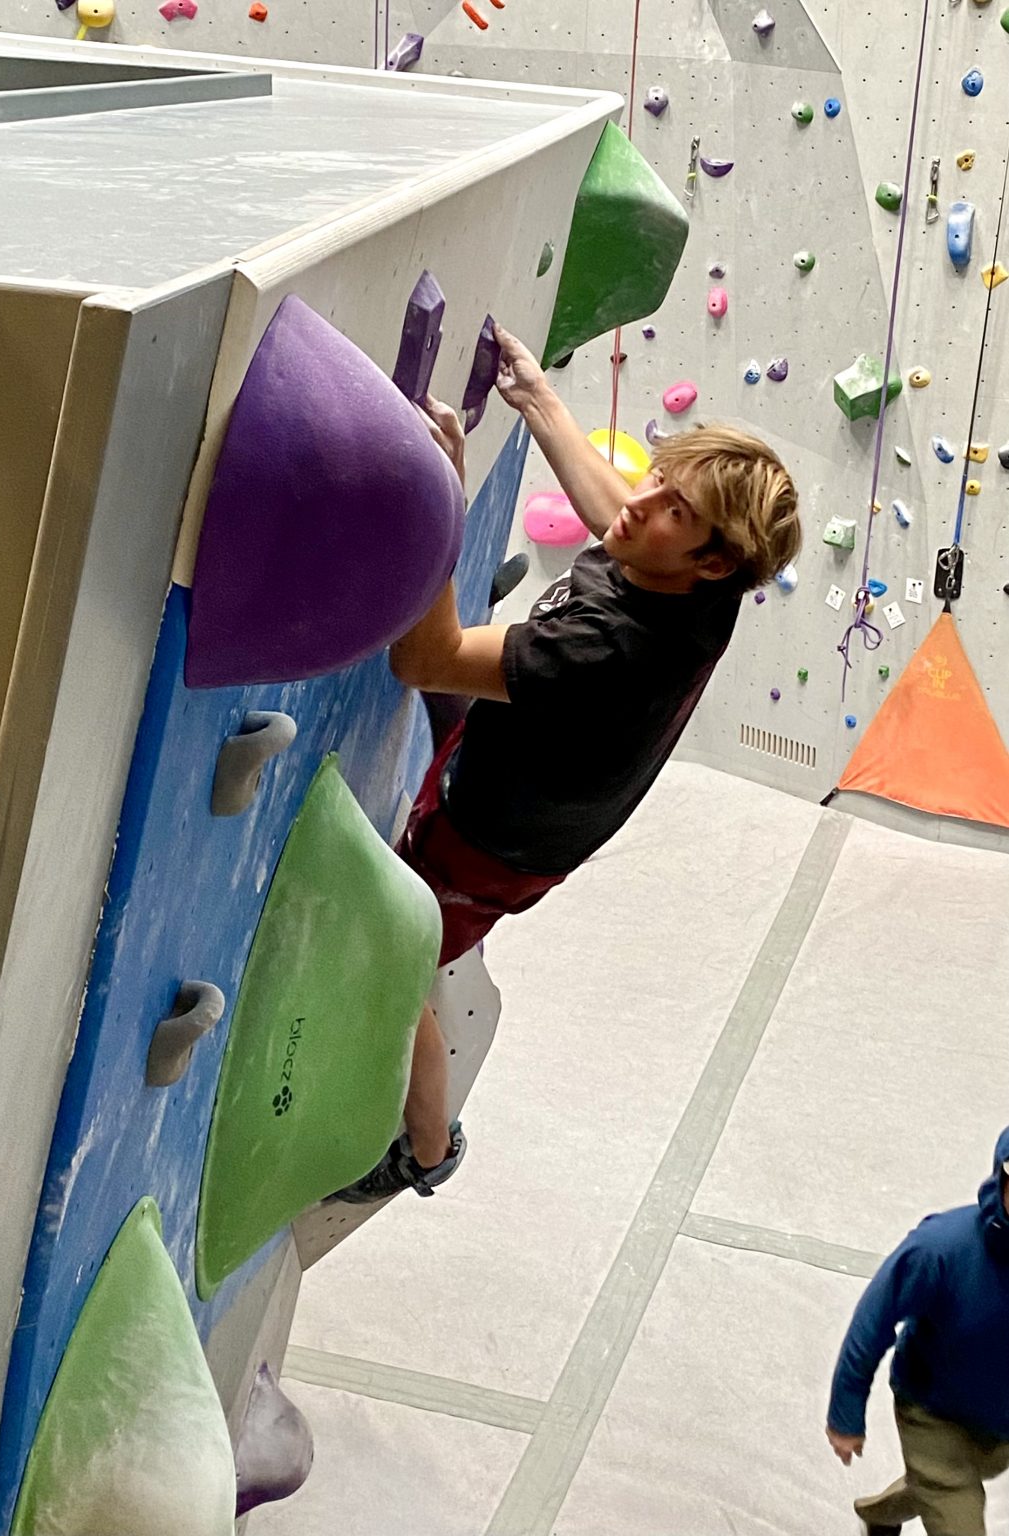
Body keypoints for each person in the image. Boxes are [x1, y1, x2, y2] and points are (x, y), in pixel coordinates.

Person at [337, 323, 801, 1202]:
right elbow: (614, 508)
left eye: (675, 509)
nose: (643, 500)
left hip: (494, 843)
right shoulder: (693, 580)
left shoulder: (601, 648)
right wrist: (539, 400)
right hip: (537, 794)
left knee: (391, 967)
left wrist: (437, 500)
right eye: (664, 480)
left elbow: (419, 660)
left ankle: (427, 1150)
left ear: (709, 559)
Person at [826, 1126, 1009, 1536]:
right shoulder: (941, 1249)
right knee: (950, 1494)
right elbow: (873, 1320)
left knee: (942, 1482)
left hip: (999, 1424)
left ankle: (878, 1516)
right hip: (932, 1412)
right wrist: (846, 1411)